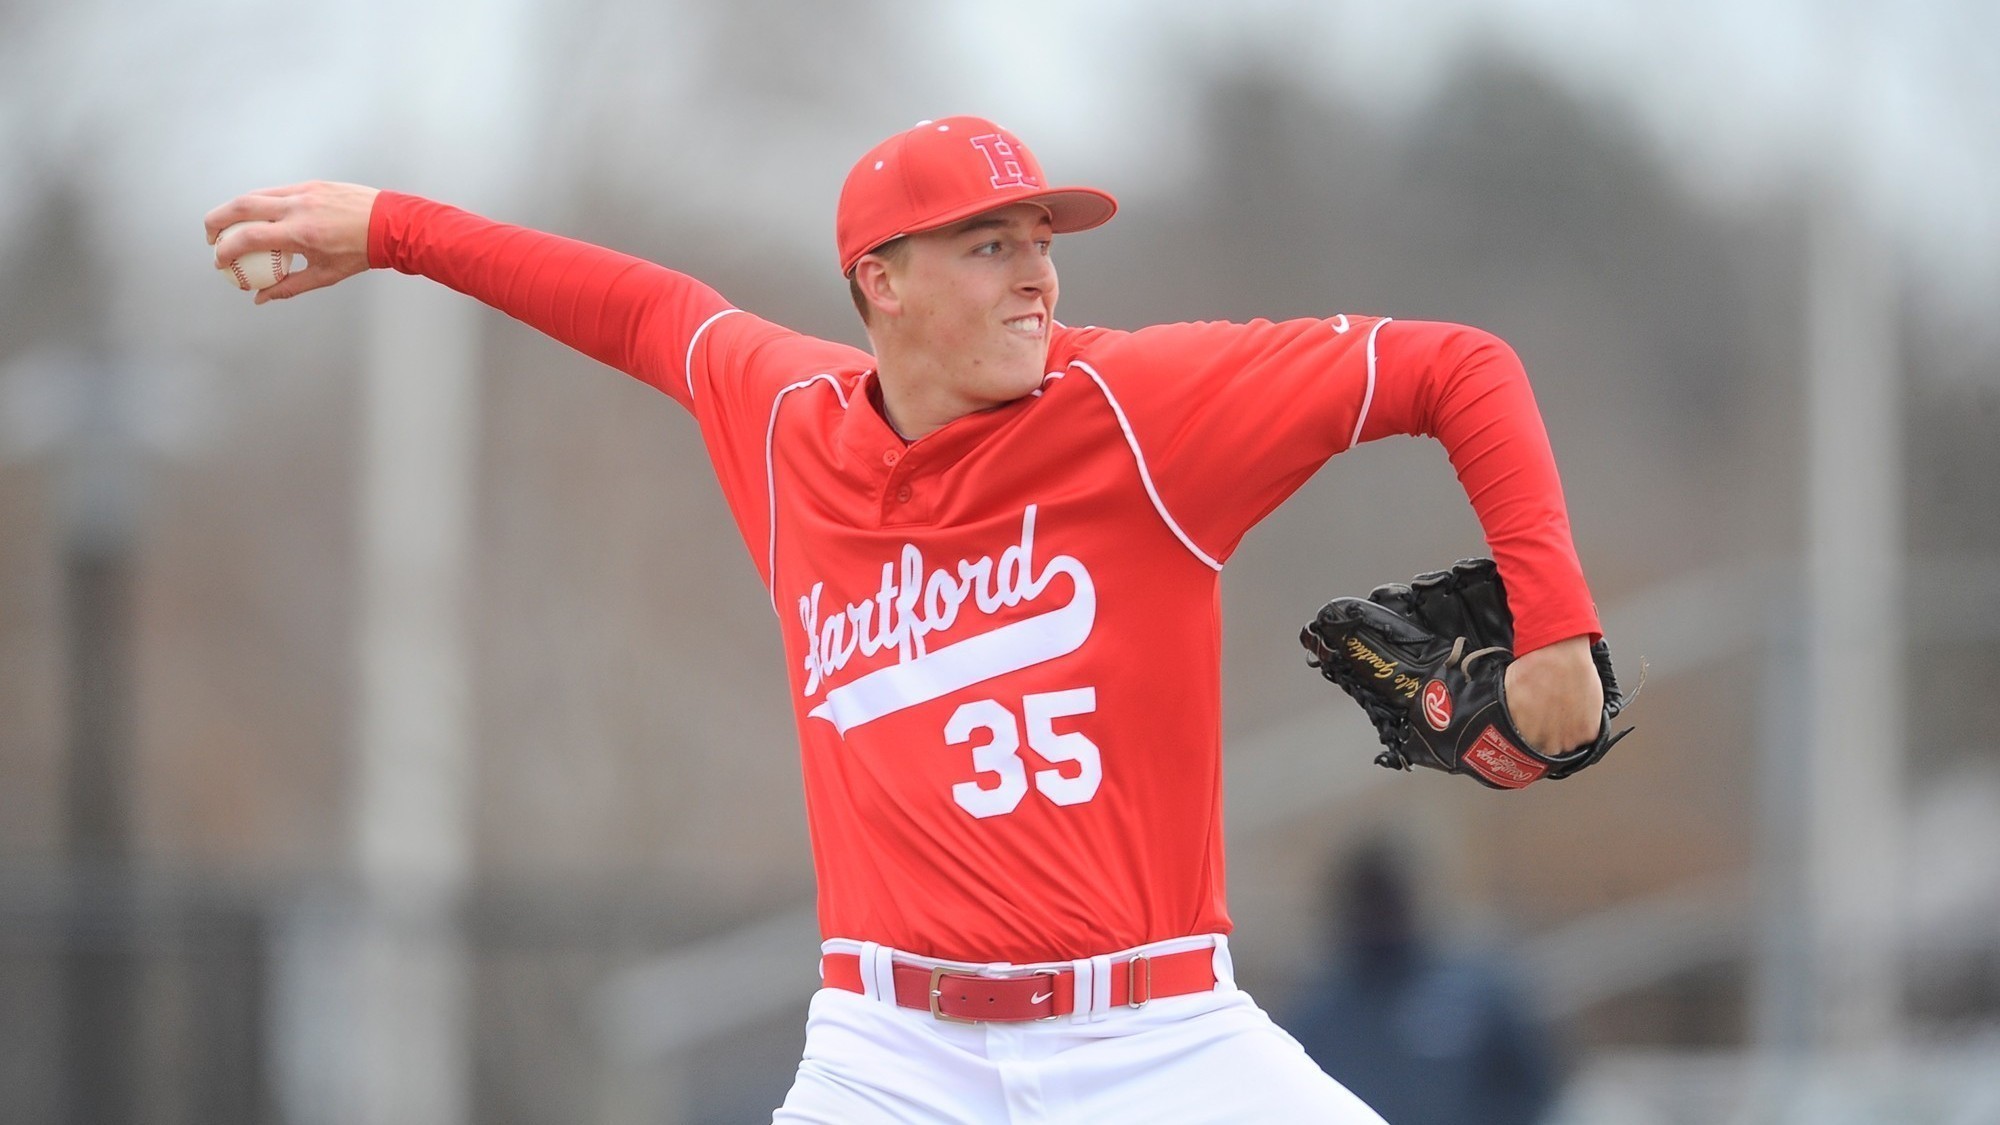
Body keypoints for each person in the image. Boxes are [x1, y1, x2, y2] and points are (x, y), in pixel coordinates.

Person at [207, 115, 1608, 1123]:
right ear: (880, 280)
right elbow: (635, 308)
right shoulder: (783, 423)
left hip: (1158, 1046)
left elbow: (1457, 367)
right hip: (890, 1057)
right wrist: (390, 230)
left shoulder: (1145, 410)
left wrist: (1551, 630)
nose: (1039, 276)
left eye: (1042, 241)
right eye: (991, 245)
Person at [1286, 842, 1562, 1125]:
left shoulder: (1475, 992)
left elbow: (1531, 1087)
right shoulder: (1318, 1016)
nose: (1379, 913)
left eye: (1386, 897)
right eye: (1369, 899)